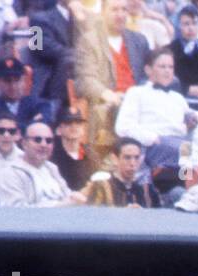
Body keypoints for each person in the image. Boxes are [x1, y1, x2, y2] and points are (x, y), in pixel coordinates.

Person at [74, 0, 150, 161]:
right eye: (114, 9)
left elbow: (146, 76)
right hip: (109, 103)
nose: (120, 14)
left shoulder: (139, 40)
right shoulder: (89, 40)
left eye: (124, 10)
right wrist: (110, 95)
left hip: (138, 102)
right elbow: (86, 79)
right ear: (103, 12)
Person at [114, 47, 198, 177]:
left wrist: (193, 119)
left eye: (170, 67)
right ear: (148, 70)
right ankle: (182, 180)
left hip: (180, 144)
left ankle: (185, 186)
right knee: (188, 153)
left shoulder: (178, 98)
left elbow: (191, 117)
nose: (167, 71)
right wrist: (152, 138)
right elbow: (123, 127)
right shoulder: (137, 93)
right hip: (154, 145)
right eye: (162, 66)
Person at [0, 120, 86, 206]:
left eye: (48, 141)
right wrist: (61, 206)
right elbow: (15, 215)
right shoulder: (9, 174)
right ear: (24, 143)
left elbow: (68, 197)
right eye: (37, 140)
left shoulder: (52, 168)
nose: (43, 144)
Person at [0, 56, 55, 146]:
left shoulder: (40, 105)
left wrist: (1, 130)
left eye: (17, 80)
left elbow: (42, 133)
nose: (13, 86)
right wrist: (30, 123)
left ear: (24, 80)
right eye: (7, 81)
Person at [27, 0, 79, 106]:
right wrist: (80, 55)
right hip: (50, 79)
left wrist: (82, 18)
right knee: (68, 59)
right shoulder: (37, 18)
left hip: (80, 77)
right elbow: (37, 46)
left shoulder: (84, 19)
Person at [90, 136, 162, 206]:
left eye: (136, 158)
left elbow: (159, 217)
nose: (132, 163)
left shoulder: (148, 191)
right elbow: (94, 216)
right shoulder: (101, 187)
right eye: (127, 158)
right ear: (115, 159)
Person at [52, 106, 94, 190]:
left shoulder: (91, 155)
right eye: (68, 123)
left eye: (78, 123)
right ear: (58, 130)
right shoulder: (52, 156)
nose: (74, 126)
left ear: (83, 128)